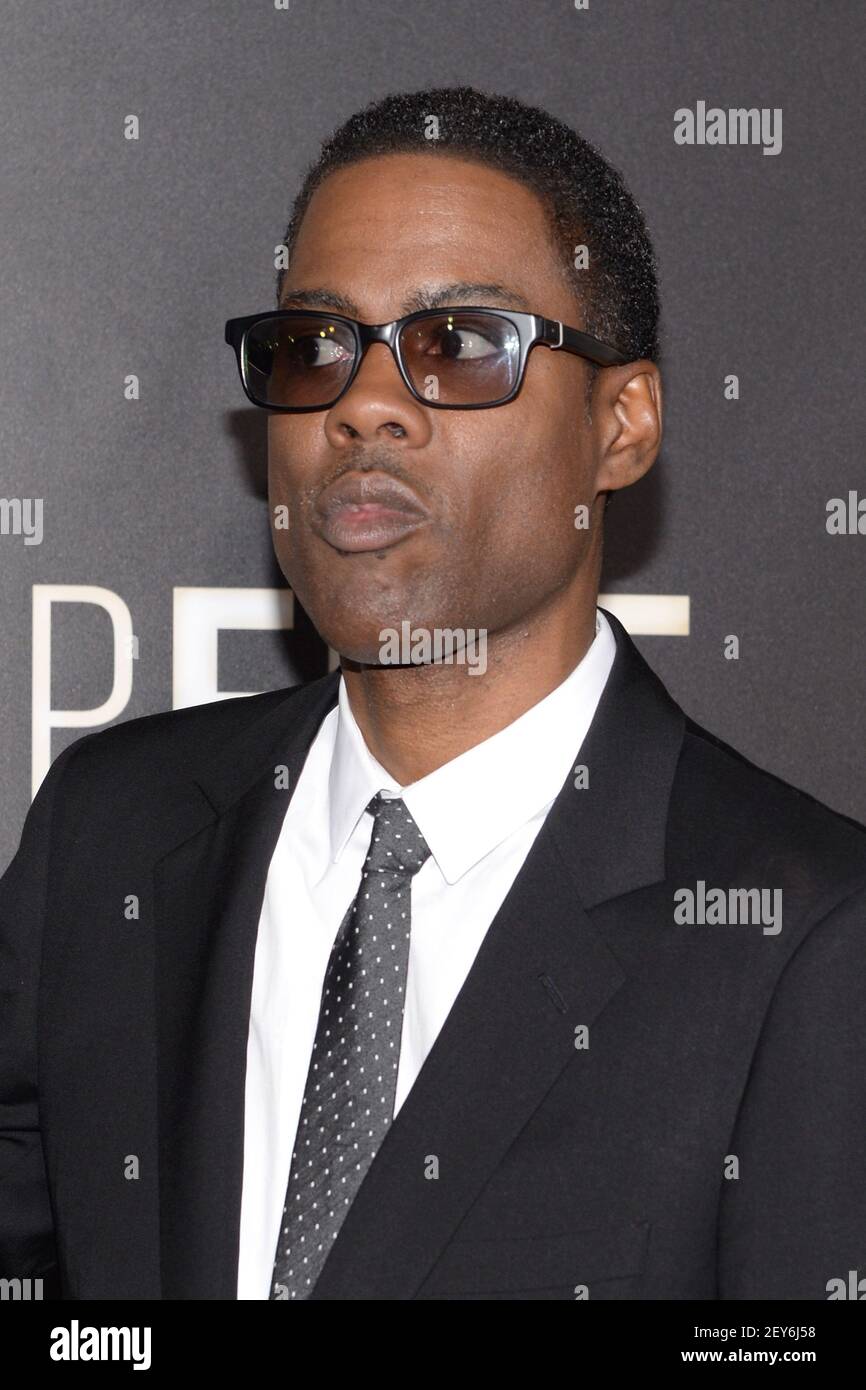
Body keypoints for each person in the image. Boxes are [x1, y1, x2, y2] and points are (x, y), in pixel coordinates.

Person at [2, 85, 865, 1301]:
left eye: (457, 343)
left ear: (620, 424)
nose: (361, 403)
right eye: (314, 345)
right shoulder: (110, 835)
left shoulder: (805, 939)